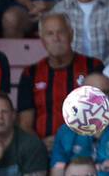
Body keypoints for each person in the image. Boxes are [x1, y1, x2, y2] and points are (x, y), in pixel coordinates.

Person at [18, 11, 101, 146]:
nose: (56, 38)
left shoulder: (93, 67)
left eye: (61, 32)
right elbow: (25, 124)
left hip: (85, 147)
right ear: (42, 40)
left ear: (71, 35)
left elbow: (100, 114)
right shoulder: (30, 74)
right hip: (43, 149)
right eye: (49, 34)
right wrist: (40, 145)